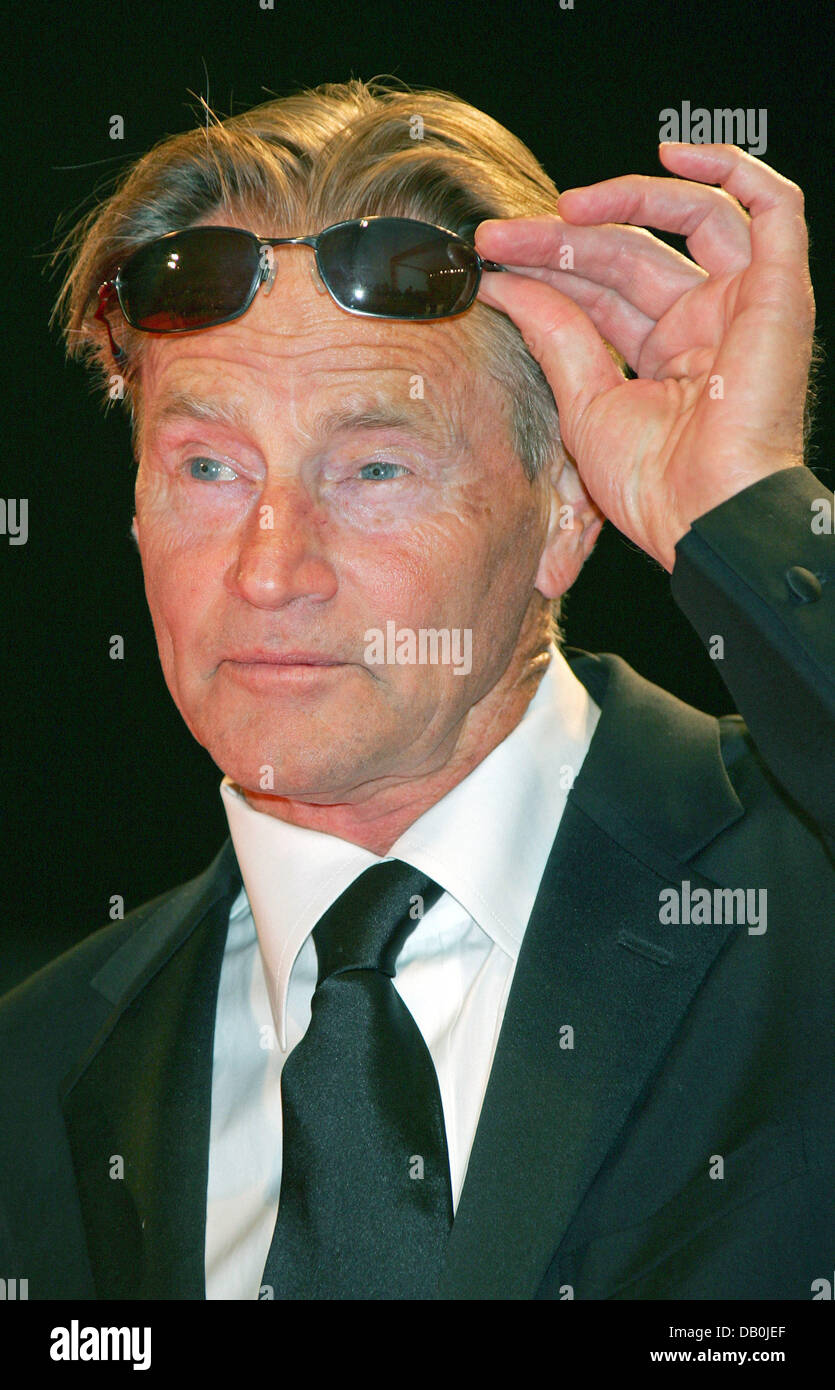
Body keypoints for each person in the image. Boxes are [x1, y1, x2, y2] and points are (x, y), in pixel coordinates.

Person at [1, 78, 832, 1301]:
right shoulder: (37, 1071)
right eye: (210, 465)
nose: (270, 567)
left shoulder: (795, 891)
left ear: (564, 510)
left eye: (375, 465)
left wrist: (750, 509)